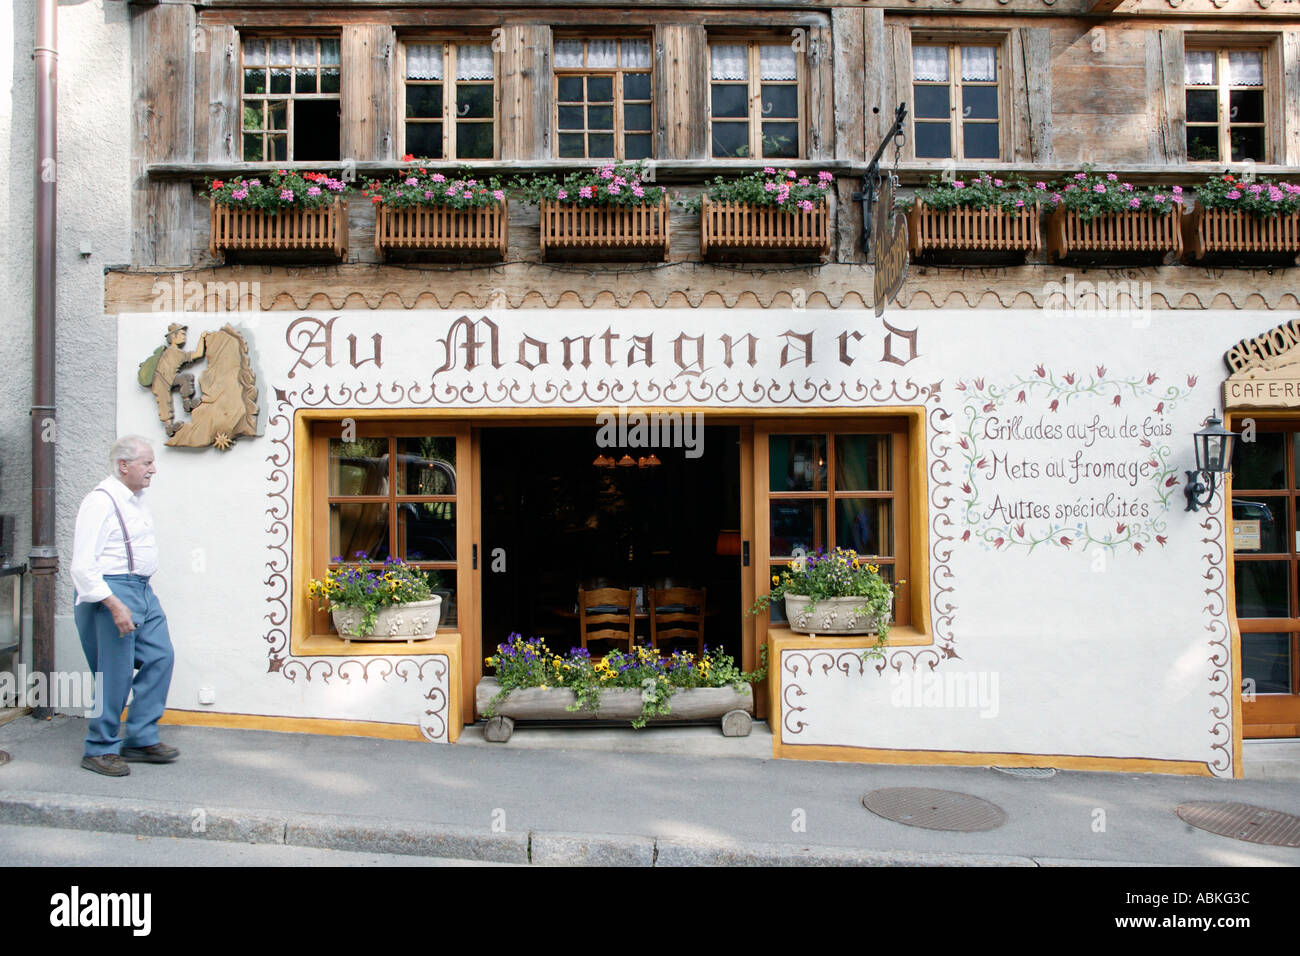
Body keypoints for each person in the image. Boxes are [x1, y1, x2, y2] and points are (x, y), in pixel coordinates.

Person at [69, 436, 178, 776]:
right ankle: (99, 748)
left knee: (161, 656)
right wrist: (114, 604)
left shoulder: (135, 500)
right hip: (110, 592)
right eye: (147, 463)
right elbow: (82, 566)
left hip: (142, 589)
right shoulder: (100, 502)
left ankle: (140, 739)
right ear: (123, 465)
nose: (153, 469)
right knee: (113, 674)